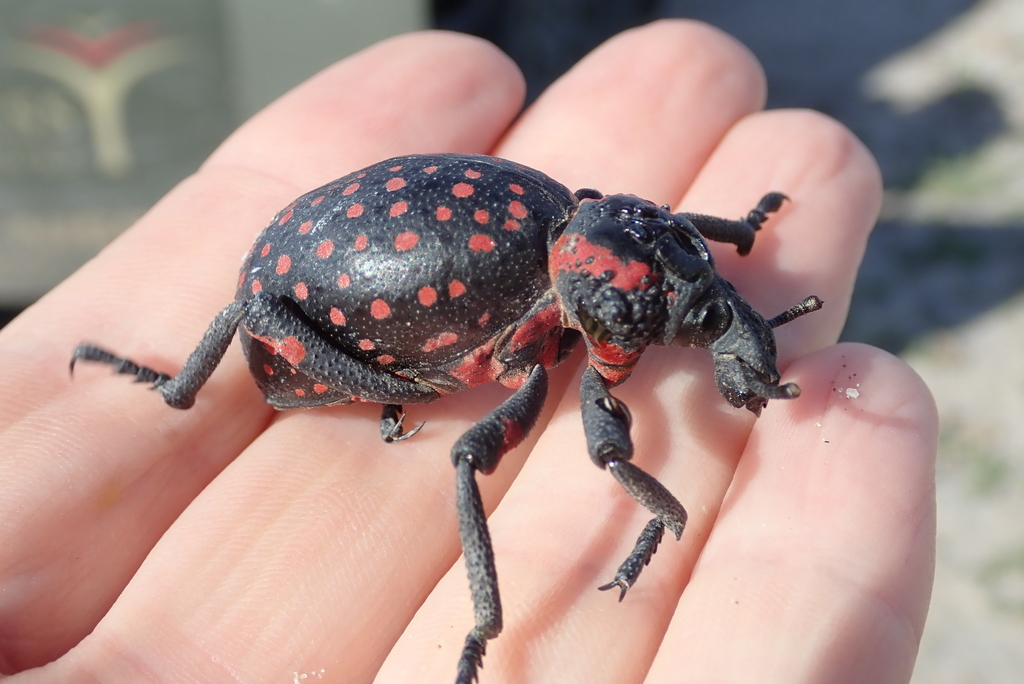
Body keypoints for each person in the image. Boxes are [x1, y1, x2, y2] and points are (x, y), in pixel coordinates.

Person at [0, 20, 936, 683]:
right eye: (665, 322)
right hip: (313, 340)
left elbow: (643, 233)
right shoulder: (548, 278)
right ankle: (483, 623)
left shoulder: (581, 225)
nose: (716, 328)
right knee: (456, 445)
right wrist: (391, 387)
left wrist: (730, 261)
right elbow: (261, 308)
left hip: (373, 257)